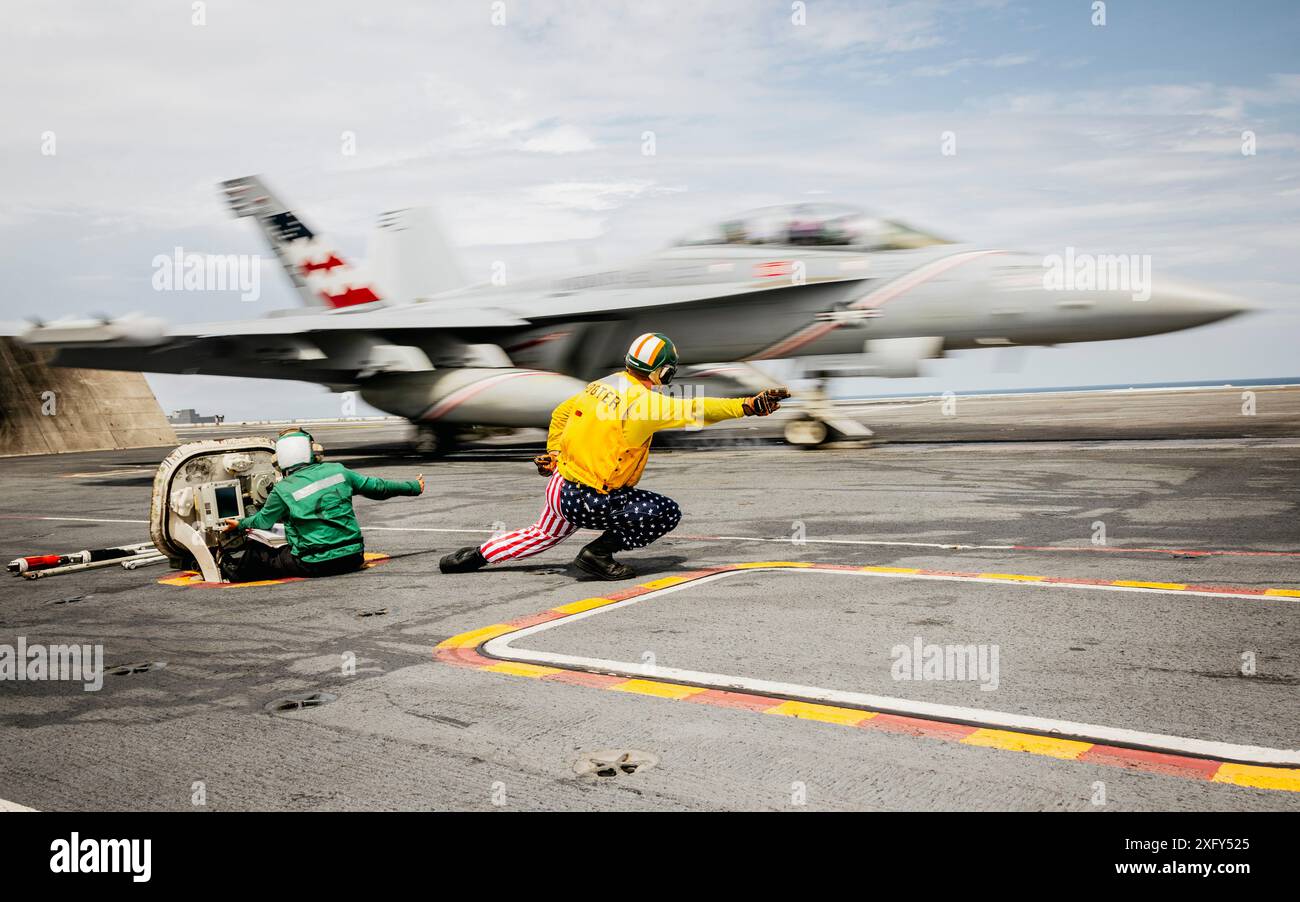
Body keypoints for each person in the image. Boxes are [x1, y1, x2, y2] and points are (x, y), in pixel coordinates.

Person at [439, 333, 789, 580]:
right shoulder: (647, 403)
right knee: (664, 512)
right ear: (663, 372)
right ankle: (597, 556)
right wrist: (748, 405)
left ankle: (472, 557)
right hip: (588, 498)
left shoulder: (600, 385)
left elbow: (561, 413)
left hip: (561, 486)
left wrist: (553, 452)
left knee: (540, 534)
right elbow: (699, 407)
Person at [220, 427, 424, 581]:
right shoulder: (339, 471)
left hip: (314, 564)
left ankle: (231, 574)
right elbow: (379, 488)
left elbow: (263, 522)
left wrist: (240, 524)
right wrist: (414, 486)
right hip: (353, 557)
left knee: (259, 553)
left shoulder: (283, 490)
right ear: (312, 452)